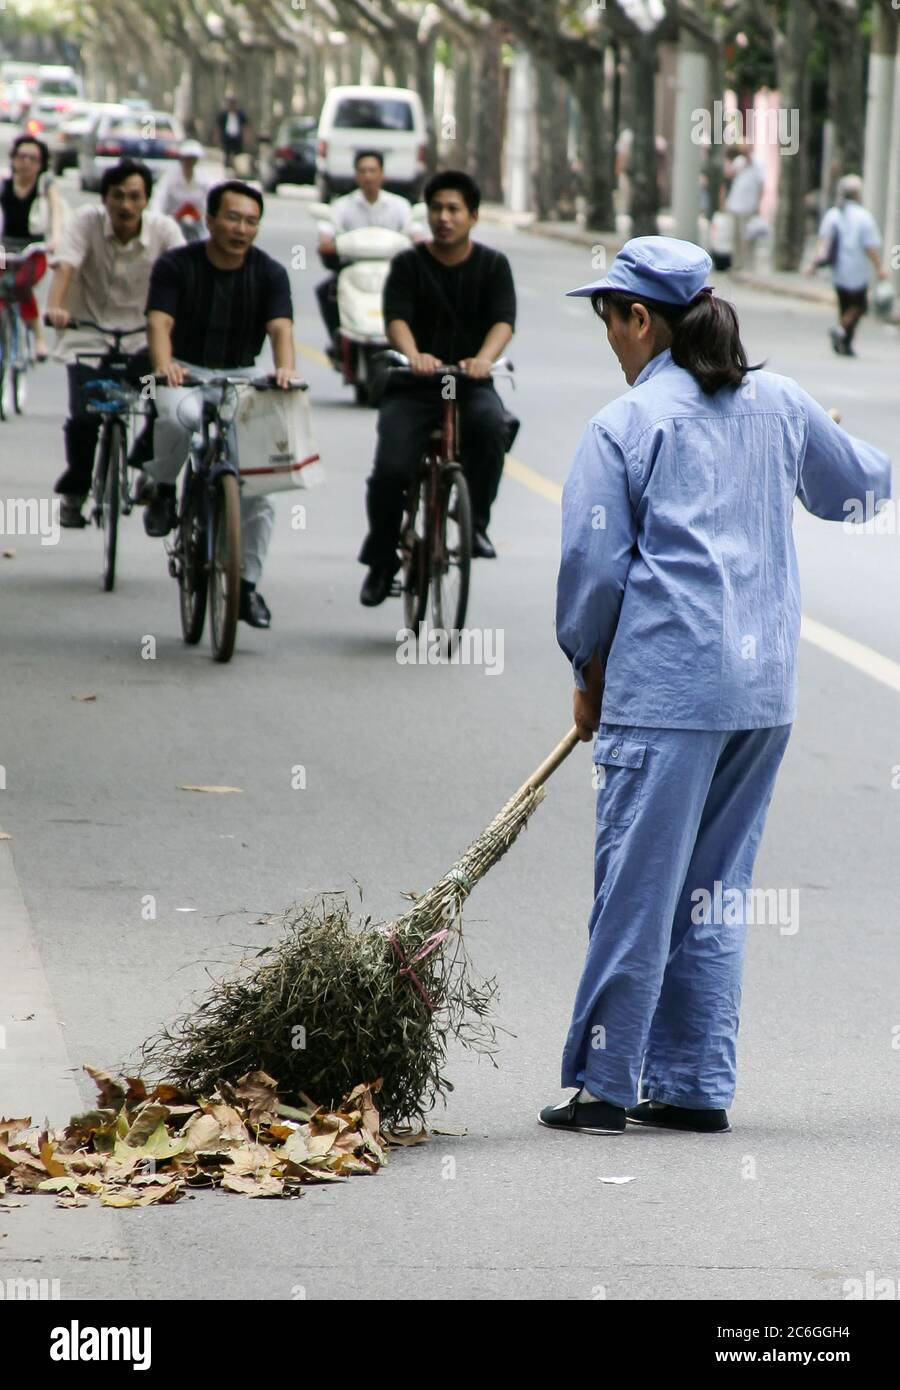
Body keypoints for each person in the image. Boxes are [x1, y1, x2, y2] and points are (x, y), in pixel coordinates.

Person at [540, 235, 891, 1137]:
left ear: (642, 319)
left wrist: (587, 672)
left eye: (609, 319)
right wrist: (837, 435)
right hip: (762, 692)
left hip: (667, 689)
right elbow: (859, 489)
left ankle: (607, 1085)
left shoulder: (625, 425)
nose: (608, 338)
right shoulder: (776, 401)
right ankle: (693, 1084)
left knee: (638, 885)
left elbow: (593, 569)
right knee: (714, 888)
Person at [358, 169, 516, 605]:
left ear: (473, 216)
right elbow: (396, 319)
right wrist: (414, 356)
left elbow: (504, 320)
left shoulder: (493, 266)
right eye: (437, 209)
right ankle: (381, 559)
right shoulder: (408, 264)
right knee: (391, 469)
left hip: (469, 382)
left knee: (490, 428)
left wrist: (484, 359)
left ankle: (475, 523)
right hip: (415, 384)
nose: (444, 218)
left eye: (454, 209)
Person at [143, 180, 295, 631]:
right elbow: (159, 321)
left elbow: (281, 330)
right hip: (185, 369)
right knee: (174, 415)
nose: (241, 229)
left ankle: (246, 587)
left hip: (241, 375)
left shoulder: (269, 272)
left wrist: (284, 372)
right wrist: (165, 365)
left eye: (251, 221)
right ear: (209, 220)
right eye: (232, 218)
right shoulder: (176, 265)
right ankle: (164, 492)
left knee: (263, 485)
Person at [46, 159, 183, 530]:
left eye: (135, 197)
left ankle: (145, 469)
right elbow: (66, 266)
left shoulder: (164, 231)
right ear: (104, 198)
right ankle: (76, 491)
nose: (125, 206)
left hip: (144, 340)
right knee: (85, 415)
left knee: (160, 401)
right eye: (118, 196)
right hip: (87, 335)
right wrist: (55, 307)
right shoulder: (85, 223)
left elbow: (183, 275)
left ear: (146, 201)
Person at [316, 149, 414, 352]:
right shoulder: (341, 206)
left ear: (382, 174)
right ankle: (338, 341)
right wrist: (327, 243)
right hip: (352, 268)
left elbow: (415, 233)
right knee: (326, 291)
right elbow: (326, 234)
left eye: (372, 170)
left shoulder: (400, 206)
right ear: (356, 175)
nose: (368, 176)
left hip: (392, 272)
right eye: (362, 171)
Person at [804, 173, 889, 357]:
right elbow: (870, 247)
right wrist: (879, 268)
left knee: (844, 307)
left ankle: (845, 342)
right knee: (860, 306)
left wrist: (813, 263)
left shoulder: (833, 214)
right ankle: (841, 331)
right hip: (857, 270)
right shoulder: (863, 216)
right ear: (857, 194)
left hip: (838, 270)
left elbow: (823, 243)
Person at [0, 133, 64, 359]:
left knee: (21, 285)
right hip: (4, 249)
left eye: (33, 158)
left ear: (41, 164)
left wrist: (55, 239)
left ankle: (37, 339)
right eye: (22, 156)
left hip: (33, 250)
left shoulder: (45, 186)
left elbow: (56, 213)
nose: (26, 162)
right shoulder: (4, 183)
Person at [149, 139, 211, 238]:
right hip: (173, 222)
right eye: (187, 158)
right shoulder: (170, 177)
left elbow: (211, 199)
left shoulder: (203, 178)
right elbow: (159, 198)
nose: (189, 162)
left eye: (193, 159)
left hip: (198, 224)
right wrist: (158, 219)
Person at [722, 143, 764, 271]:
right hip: (735, 204)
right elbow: (728, 174)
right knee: (735, 237)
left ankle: (748, 266)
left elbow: (762, 184)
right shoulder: (739, 162)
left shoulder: (758, 163)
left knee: (747, 237)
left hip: (748, 205)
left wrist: (758, 204)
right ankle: (736, 264)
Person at [216, 94, 250, 172]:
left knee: (238, 156)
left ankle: (238, 169)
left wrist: (247, 138)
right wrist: (217, 137)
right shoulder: (224, 115)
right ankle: (227, 169)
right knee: (227, 154)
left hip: (237, 138)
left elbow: (246, 127)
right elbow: (218, 127)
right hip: (227, 138)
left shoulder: (240, 114)